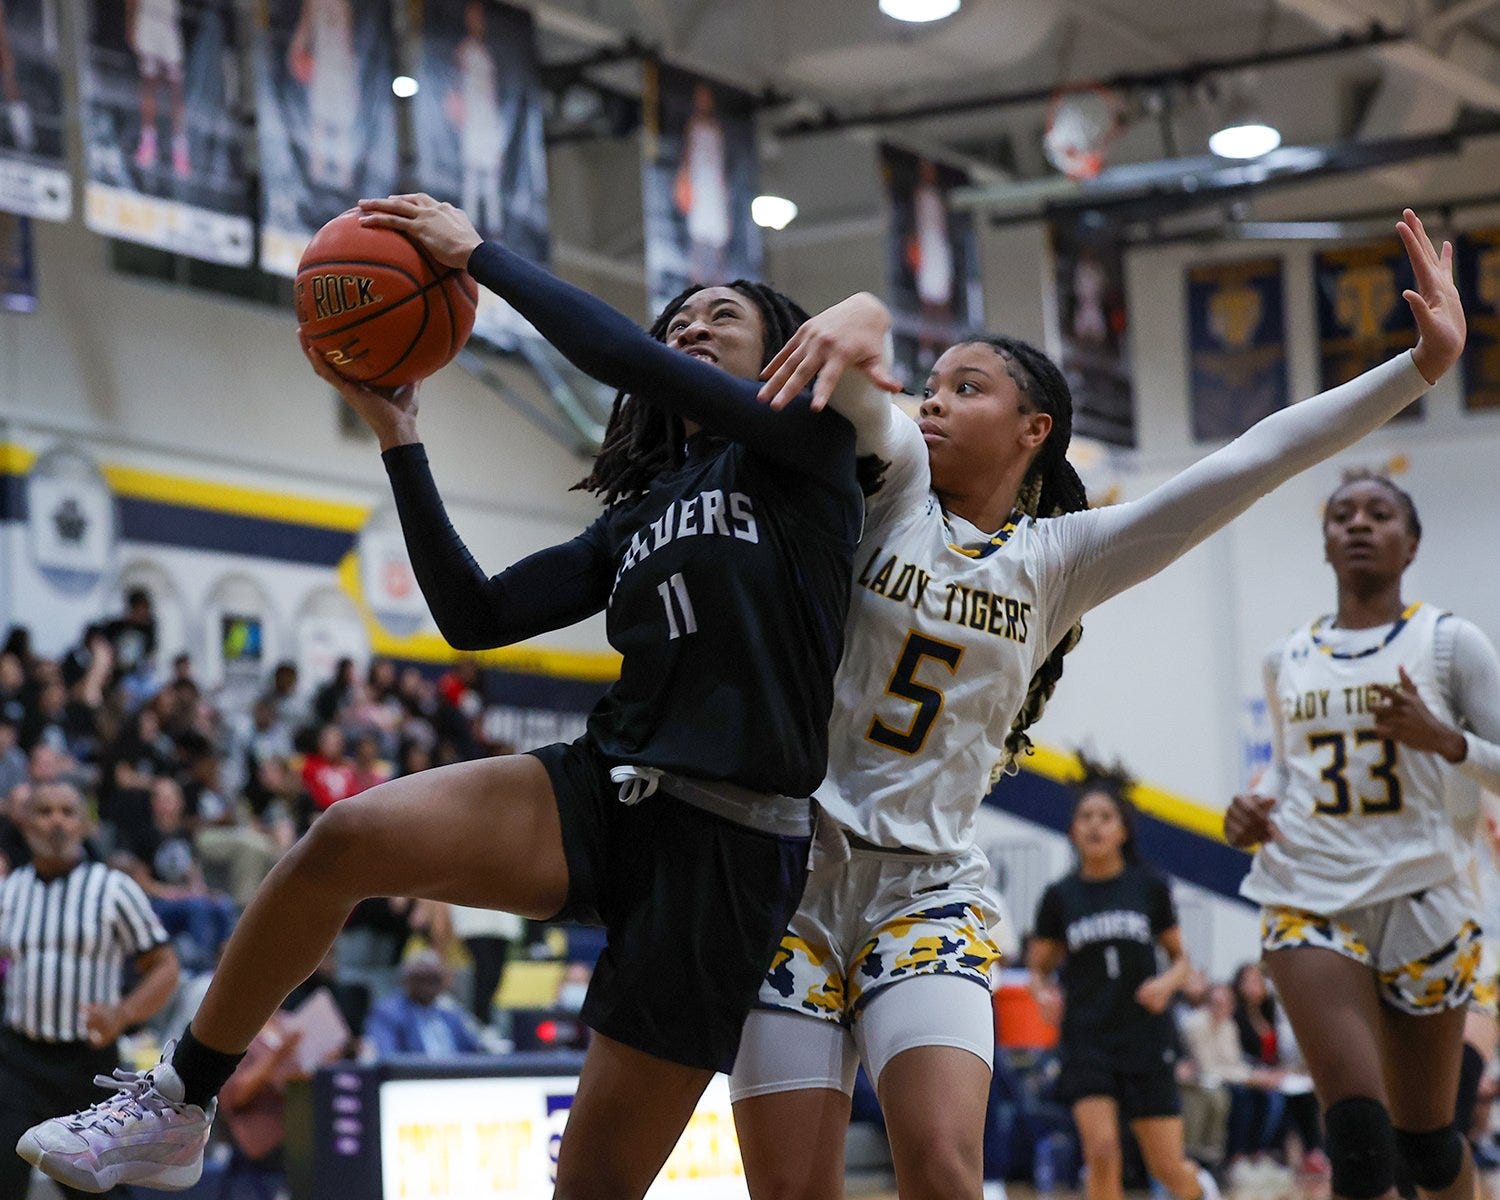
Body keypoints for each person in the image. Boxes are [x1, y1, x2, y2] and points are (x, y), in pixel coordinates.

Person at [22, 192, 864, 1199]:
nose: (690, 326)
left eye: (721, 315)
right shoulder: (638, 515)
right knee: (343, 839)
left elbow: (626, 361)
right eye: (677, 318)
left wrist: (486, 259)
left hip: (729, 843)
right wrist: (398, 437)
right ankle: (179, 1101)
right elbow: (475, 614)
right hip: (609, 788)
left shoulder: (807, 453)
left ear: (779, 345)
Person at [725, 209, 1465, 1200]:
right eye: (933, 384)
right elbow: (835, 366)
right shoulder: (889, 486)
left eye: (967, 387)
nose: (936, 402)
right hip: (790, 878)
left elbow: (1253, 457)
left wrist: (1418, 367)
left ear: (1035, 430)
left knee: (945, 1167)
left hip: (926, 894)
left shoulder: (1060, 560)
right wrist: (860, 309)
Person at [1225, 466, 1500, 1200]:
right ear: (1324, 544)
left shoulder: (1450, 644)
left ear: (1410, 545)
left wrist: (1448, 742)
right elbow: (1287, 774)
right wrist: (1249, 809)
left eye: (1379, 514)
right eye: (1341, 514)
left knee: (1428, 1148)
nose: (1356, 524)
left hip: (1425, 900)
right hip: (1308, 895)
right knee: (1359, 1142)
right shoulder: (1288, 656)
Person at [1025, 763, 1213, 1200]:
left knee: (1166, 1167)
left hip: (1144, 1036)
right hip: (1088, 1037)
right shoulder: (1060, 896)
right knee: (1103, 1152)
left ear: (1123, 830)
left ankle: (1201, 1190)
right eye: (1086, 817)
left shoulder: (1148, 886)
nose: (1095, 825)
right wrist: (1042, 992)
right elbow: (1038, 968)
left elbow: (1181, 960)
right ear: (1072, 830)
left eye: (1105, 817)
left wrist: (1166, 985)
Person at [5, 781, 179, 1198]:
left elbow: (165, 967)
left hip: (88, 1065)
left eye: (67, 812)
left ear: (85, 824)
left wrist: (122, 1013)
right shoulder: (9, 891)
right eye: (44, 812)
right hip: (16, 1058)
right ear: (26, 825)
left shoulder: (113, 889)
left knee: (95, 1189)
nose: (56, 822)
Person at [363, 949, 484, 1058]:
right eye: (421, 979)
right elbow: (387, 1058)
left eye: (434, 980)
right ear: (406, 981)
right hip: (415, 1079)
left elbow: (477, 1048)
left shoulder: (450, 1011)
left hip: (459, 1078)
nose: (428, 986)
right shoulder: (387, 1013)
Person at [125, 0, 188, 177]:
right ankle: (148, 143)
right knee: (149, 83)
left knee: (175, 89)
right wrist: (131, 25)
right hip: (147, 21)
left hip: (168, 23)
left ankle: (180, 148)